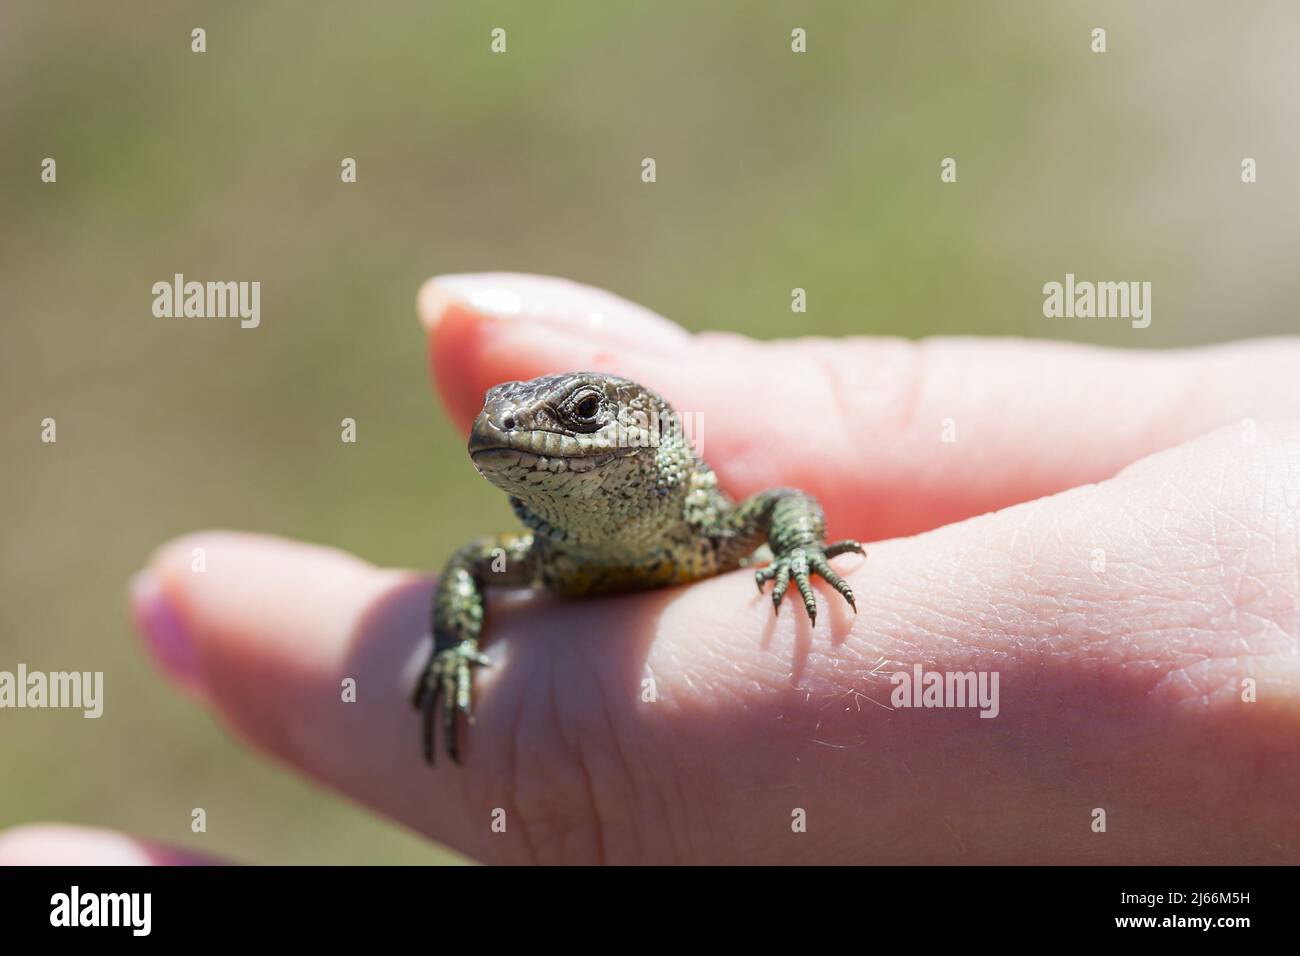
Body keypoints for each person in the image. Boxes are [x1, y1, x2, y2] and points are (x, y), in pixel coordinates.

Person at [3, 273, 1298, 865]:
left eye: (570, 419)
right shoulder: (539, 549)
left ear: (648, 436)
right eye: (514, 428)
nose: (519, 432)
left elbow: (786, 499)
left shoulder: (708, 519)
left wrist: (798, 554)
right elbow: (472, 566)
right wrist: (454, 642)